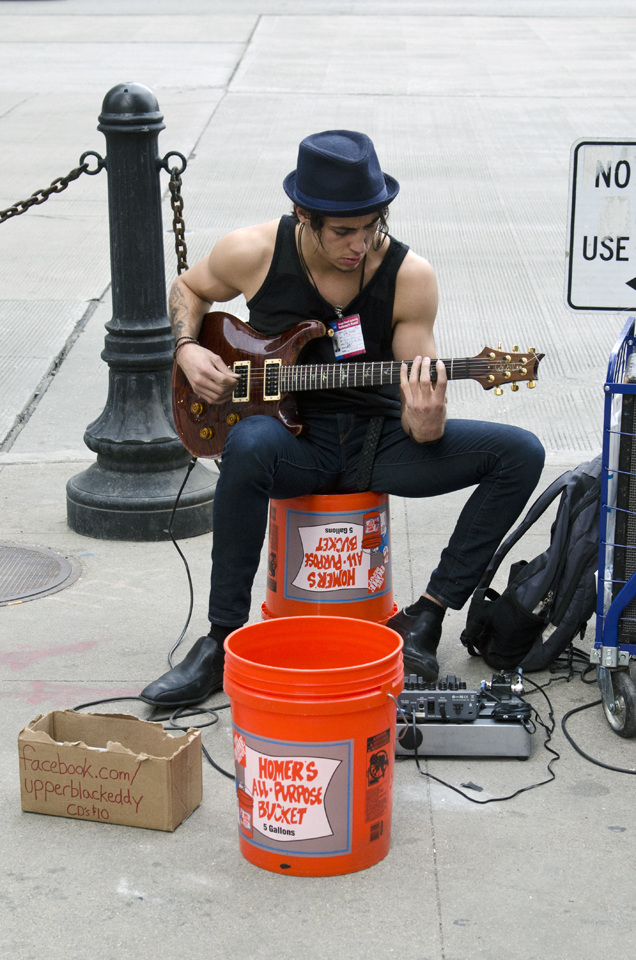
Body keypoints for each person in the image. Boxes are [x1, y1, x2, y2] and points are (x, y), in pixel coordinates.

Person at [140, 129, 545, 707]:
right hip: (289, 446)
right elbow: (188, 288)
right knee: (250, 442)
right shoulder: (252, 252)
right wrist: (186, 347)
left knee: (522, 452)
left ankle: (426, 615)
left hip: (377, 446)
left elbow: (417, 406)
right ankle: (220, 639)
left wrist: (426, 421)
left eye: (373, 225)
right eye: (344, 231)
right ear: (303, 216)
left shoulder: (409, 276)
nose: (361, 244)